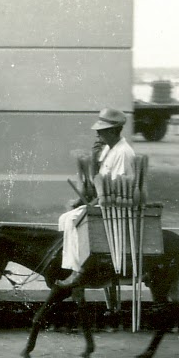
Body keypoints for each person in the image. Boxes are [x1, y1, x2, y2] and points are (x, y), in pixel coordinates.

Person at [56, 108, 136, 288]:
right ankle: (69, 265)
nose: (98, 134)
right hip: (105, 200)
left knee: (73, 220)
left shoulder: (123, 152)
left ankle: (78, 270)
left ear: (113, 131)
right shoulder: (109, 149)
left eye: (102, 130)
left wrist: (92, 204)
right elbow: (99, 181)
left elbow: (114, 188)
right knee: (64, 218)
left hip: (116, 205)